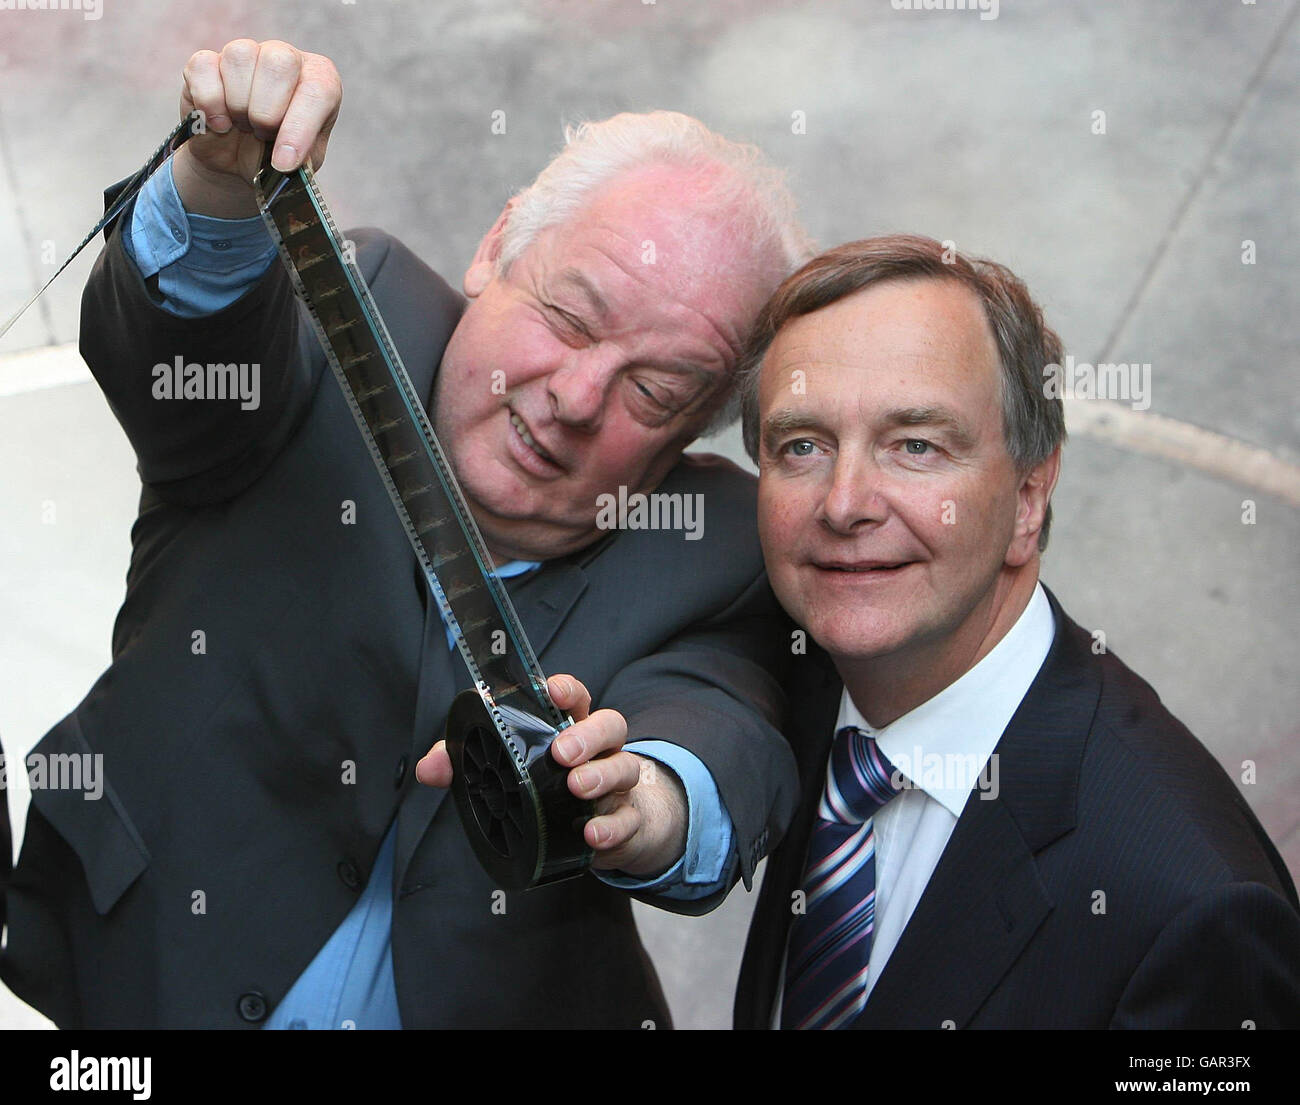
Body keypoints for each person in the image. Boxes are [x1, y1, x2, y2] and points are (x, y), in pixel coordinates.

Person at [0, 39, 812, 1029]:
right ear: (499, 242)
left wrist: (649, 799)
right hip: (133, 974)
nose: (573, 396)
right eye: (568, 312)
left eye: (653, 389)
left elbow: (725, 730)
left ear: (697, 427)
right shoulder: (350, 307)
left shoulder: (718, 542)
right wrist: (217, 182)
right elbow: (182, 345)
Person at [734, 235, 1300, 1029]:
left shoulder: (1192, 910)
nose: (844, 503)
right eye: (802, 446)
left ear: (1028, 498)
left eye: (917, 446)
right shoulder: (794, 679)